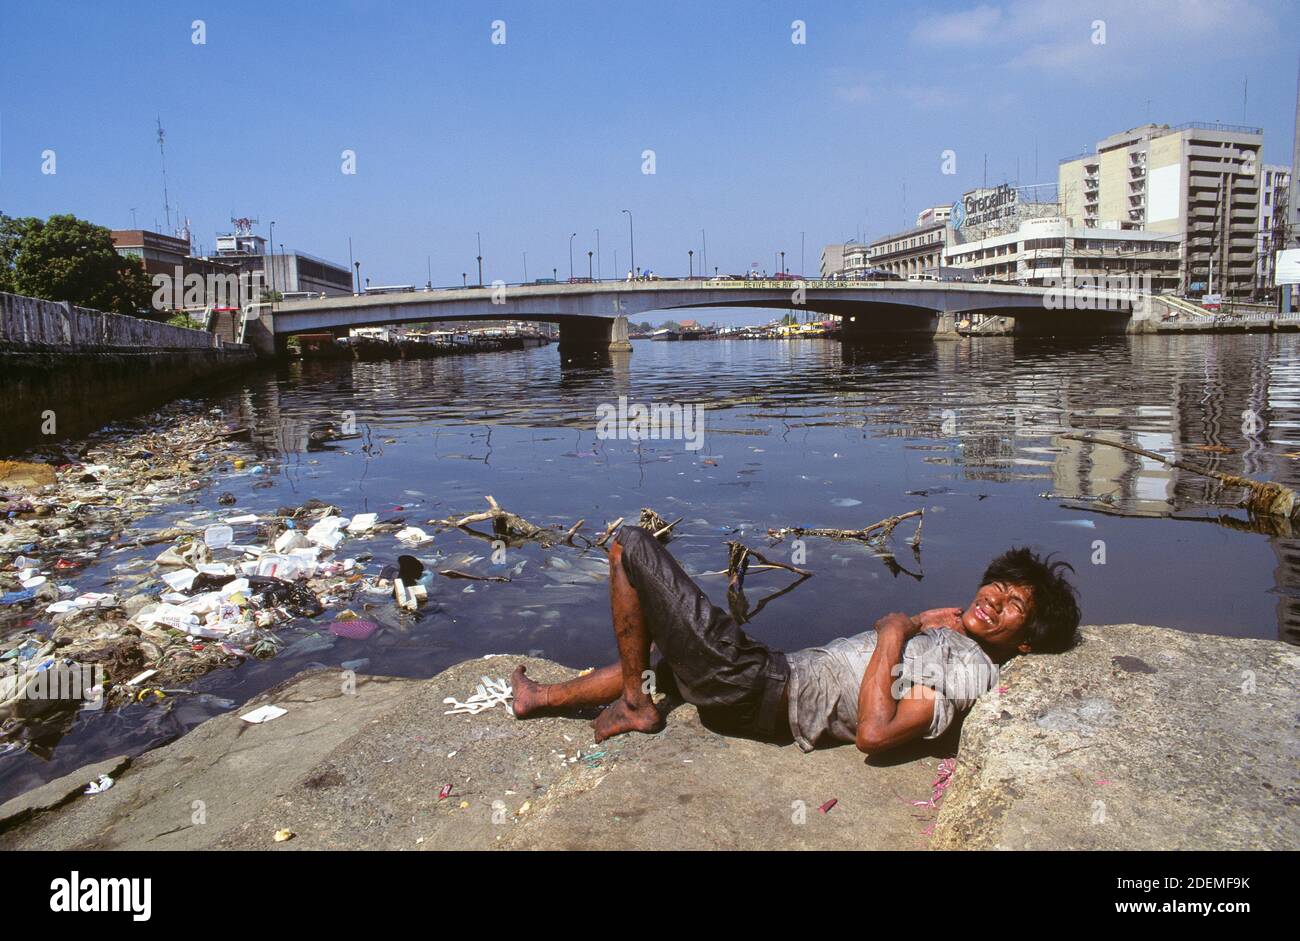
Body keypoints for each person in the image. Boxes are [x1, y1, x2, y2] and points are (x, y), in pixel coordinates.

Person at [512, 525, 1080, 755]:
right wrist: (921, 628)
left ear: (1024, 642)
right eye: (999, 585)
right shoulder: (954, 637)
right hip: (766, 676)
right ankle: (544, 699)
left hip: (756, 688)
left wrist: (894, 631)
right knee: (664, 652)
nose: (995, 599)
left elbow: (876, 734)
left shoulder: (966, 667)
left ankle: (636, 705)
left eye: (1014, 606)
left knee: (628, 547)